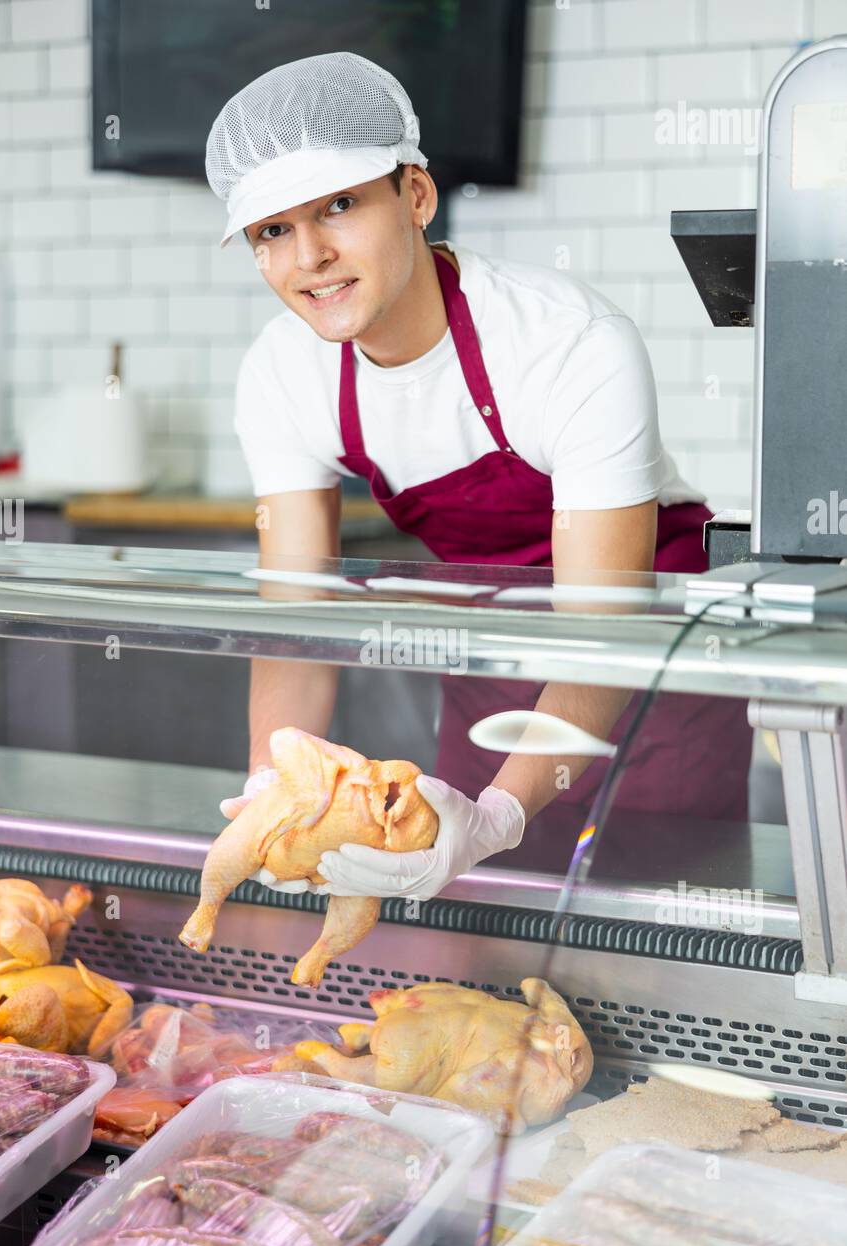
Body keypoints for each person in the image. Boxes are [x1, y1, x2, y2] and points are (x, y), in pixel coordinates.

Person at [206, 51, 752, 900]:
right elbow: (297, 617)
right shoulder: (282, 373)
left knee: (657, 928)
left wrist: (500, 813)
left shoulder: (567, 343)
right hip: (493, 657)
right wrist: (277, 787)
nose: (309, 255)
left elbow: (602, 631)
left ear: (416, 197)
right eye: (272, 230)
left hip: (651, 666)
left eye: (338, 206)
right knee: (486, 935)